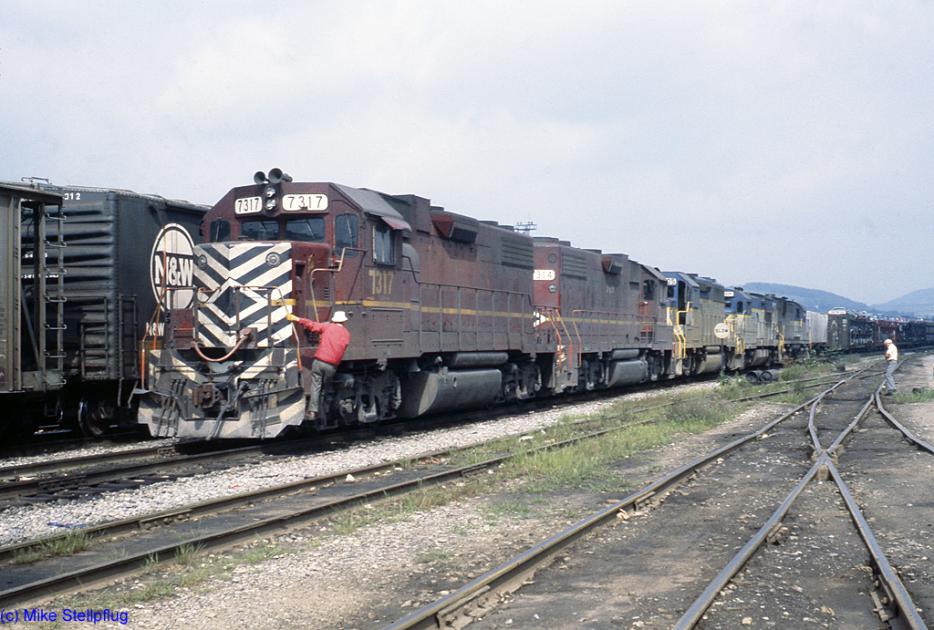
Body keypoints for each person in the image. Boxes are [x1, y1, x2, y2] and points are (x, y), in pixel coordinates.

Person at [286, 310, 351, 417]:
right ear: (344, 322)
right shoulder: (347, 334)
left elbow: (311, 325)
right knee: (326, 386)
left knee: (316, 385)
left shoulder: (328, 327)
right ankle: (325, 404)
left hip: (319, 362)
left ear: (334, 321)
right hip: (332, 366)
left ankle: (313, 411)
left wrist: (296, 319)